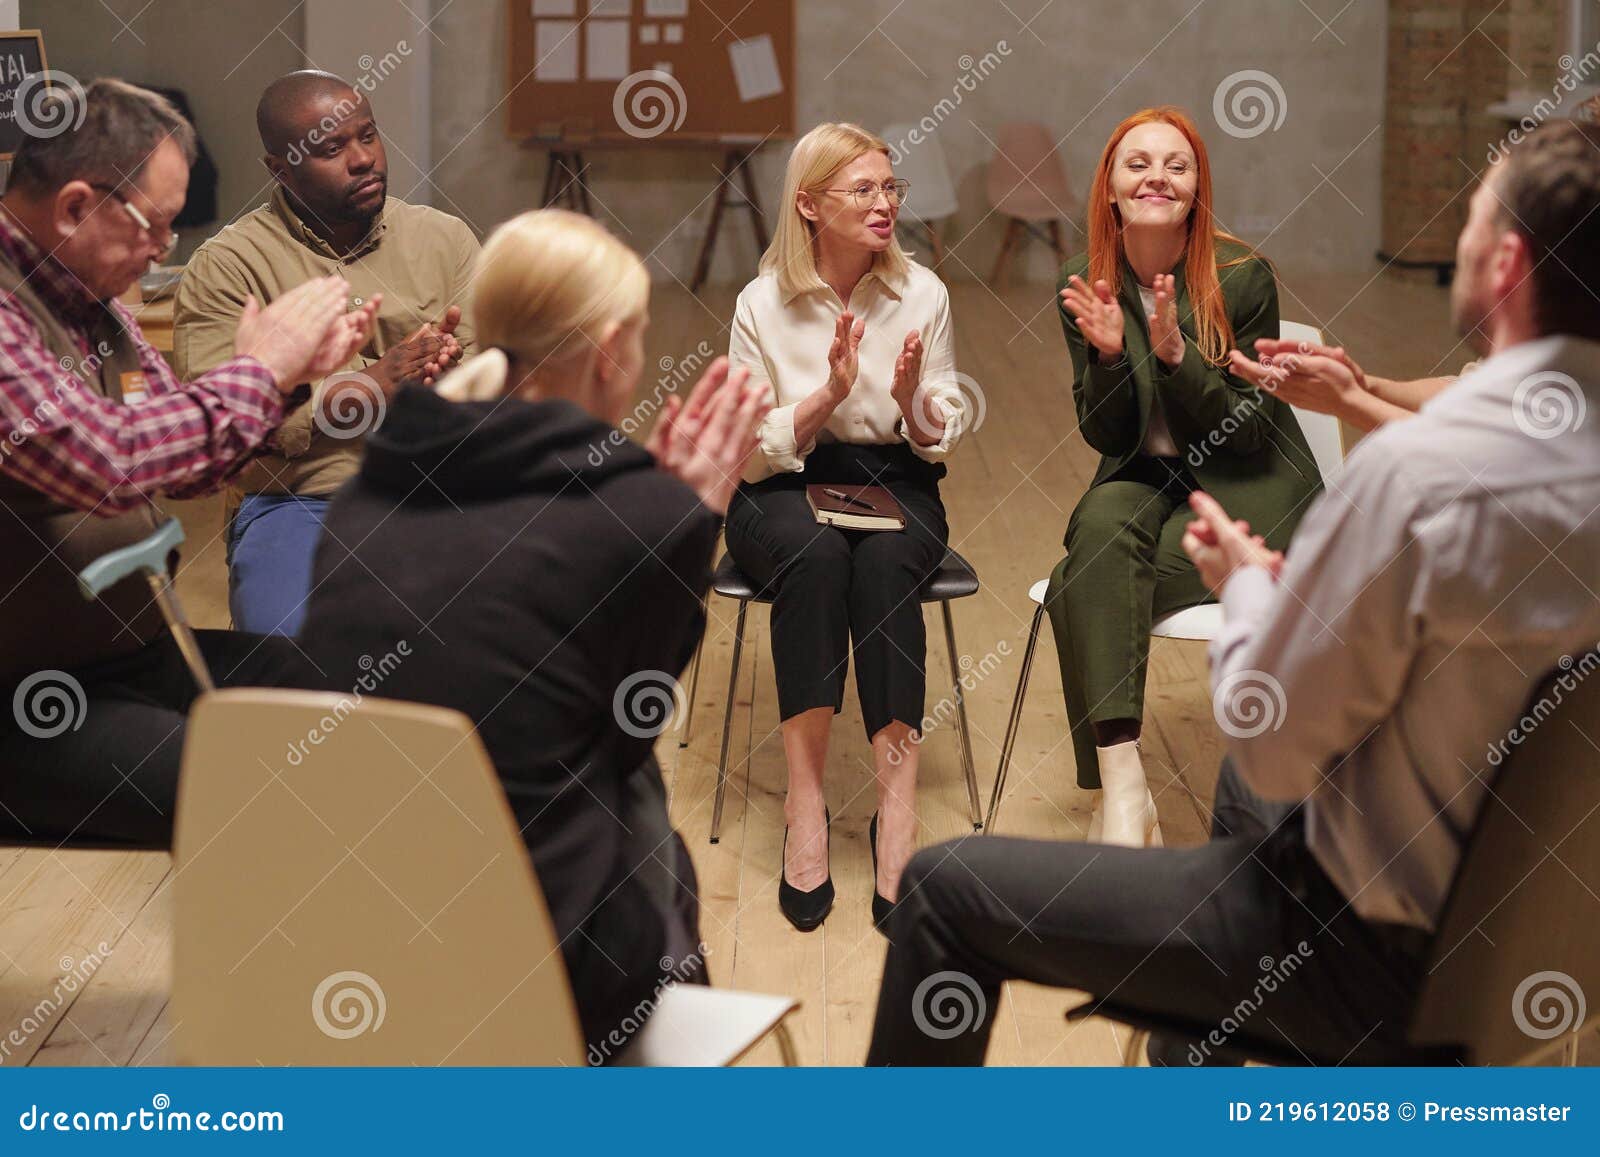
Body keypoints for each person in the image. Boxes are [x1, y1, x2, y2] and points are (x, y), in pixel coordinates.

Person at [865, 119, 1600, 1066]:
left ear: (1503, 263)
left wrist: (1254, 594)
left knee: (945, 888)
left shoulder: (1415, 480)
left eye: (1465, 218)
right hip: (1543, 950)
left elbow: (1284, 744)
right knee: (1235, 795)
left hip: (1372, 956)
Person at [297, 209, 769, 1059]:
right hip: (536, 963)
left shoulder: (363, 498)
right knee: (637, 794)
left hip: (350, 942)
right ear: (613, 347)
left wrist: (655, 520)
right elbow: (627, 739)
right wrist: (681, 532)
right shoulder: (642, 518)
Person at [0, 79, 375, 848]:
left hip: (114, 651)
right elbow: (108, 458)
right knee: (262, 794)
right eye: (157, 227)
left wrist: (290, 378)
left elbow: (189, 461)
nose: (164, 251)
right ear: (75, 208)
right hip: (23, 691)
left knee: (356, 714)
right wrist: (260, 372)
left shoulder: (89, 302)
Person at [1046, 106, 1320, 846]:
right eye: (1137, 163)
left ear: (1198, 188)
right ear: (1110, 188)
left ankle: (1119, 798)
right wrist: (1107, 359)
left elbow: (1252, 427)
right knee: (1101, 528)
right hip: (1146, 471)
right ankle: (1128, 784)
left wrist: (1175, 356)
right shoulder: (1083, 279)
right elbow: (1104, 431)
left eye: (1177, 164)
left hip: (1250, 484)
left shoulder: (1241, 277)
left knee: (1080, 585)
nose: (1156, 176)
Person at [723, 122, 970, 933]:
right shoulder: (761, 302)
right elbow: (751, 449)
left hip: (893, 475)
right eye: (862, 189)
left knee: (888, 563)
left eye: (889, 188)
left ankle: (896, 811)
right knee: (818, 559)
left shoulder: (922, 292)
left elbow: (943, 423)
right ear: (808, 203)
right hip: (786, 483)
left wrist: (908, 404)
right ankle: (806, 804)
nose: (884, 204)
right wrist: (826, 395)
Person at [174, 70, 479, 637]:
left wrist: (446, 383)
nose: (362, 159)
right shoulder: (228, 268)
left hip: (439, 490)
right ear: (279, 169)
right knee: (289, 654)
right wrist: (370, 387)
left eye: (368, 135)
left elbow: (496, 385)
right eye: (331, 149)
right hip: (300, 502)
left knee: (512, 643)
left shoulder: (445, 241)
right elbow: (217, 430)